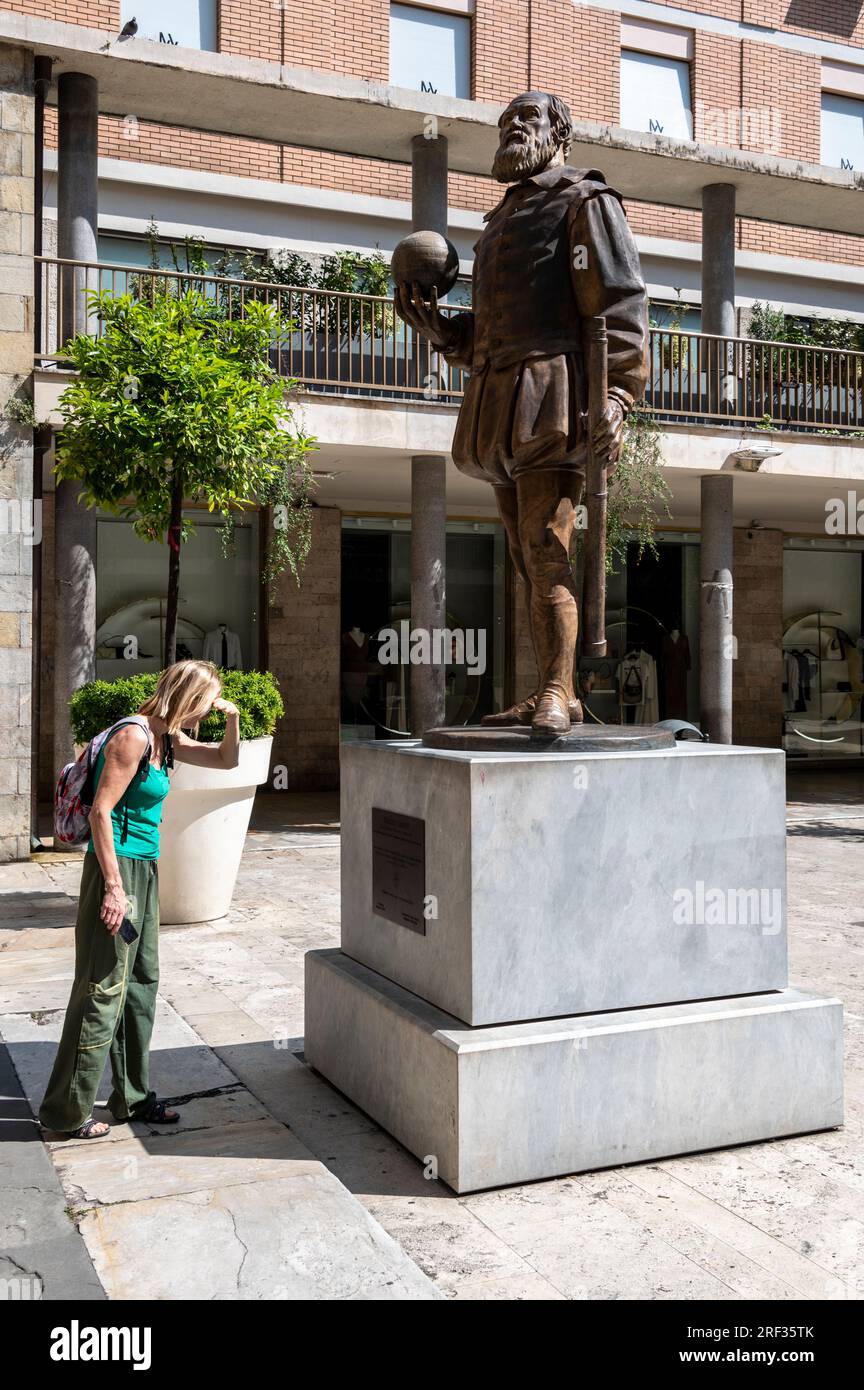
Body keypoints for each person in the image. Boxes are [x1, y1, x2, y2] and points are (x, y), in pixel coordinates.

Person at [395, 90, 649, 734]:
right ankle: (545, 689)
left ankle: (559, 693)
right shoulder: (502, 219)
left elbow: (618, 302)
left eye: (525, 121)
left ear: (559, 135)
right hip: (499, 398)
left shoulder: (585, 201)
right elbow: (490, 331)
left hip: (555, 395)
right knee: (521, 556)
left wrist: (618, 394)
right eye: (504, 122)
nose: (510, 129)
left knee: (545, 551)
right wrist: (440, 331)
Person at [39, 660, 240, 1139]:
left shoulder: (167, 738)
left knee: (141, 983)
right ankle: (66, 1112)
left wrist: (231, 719)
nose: (208, 711)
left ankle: (130, 1097)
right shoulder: (134, 737)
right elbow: (100, 813)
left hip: (144, 870)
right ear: (186, 697)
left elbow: (227, 761)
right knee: (102, 986)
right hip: (118, 870)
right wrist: (113, 887)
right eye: (207, 701)